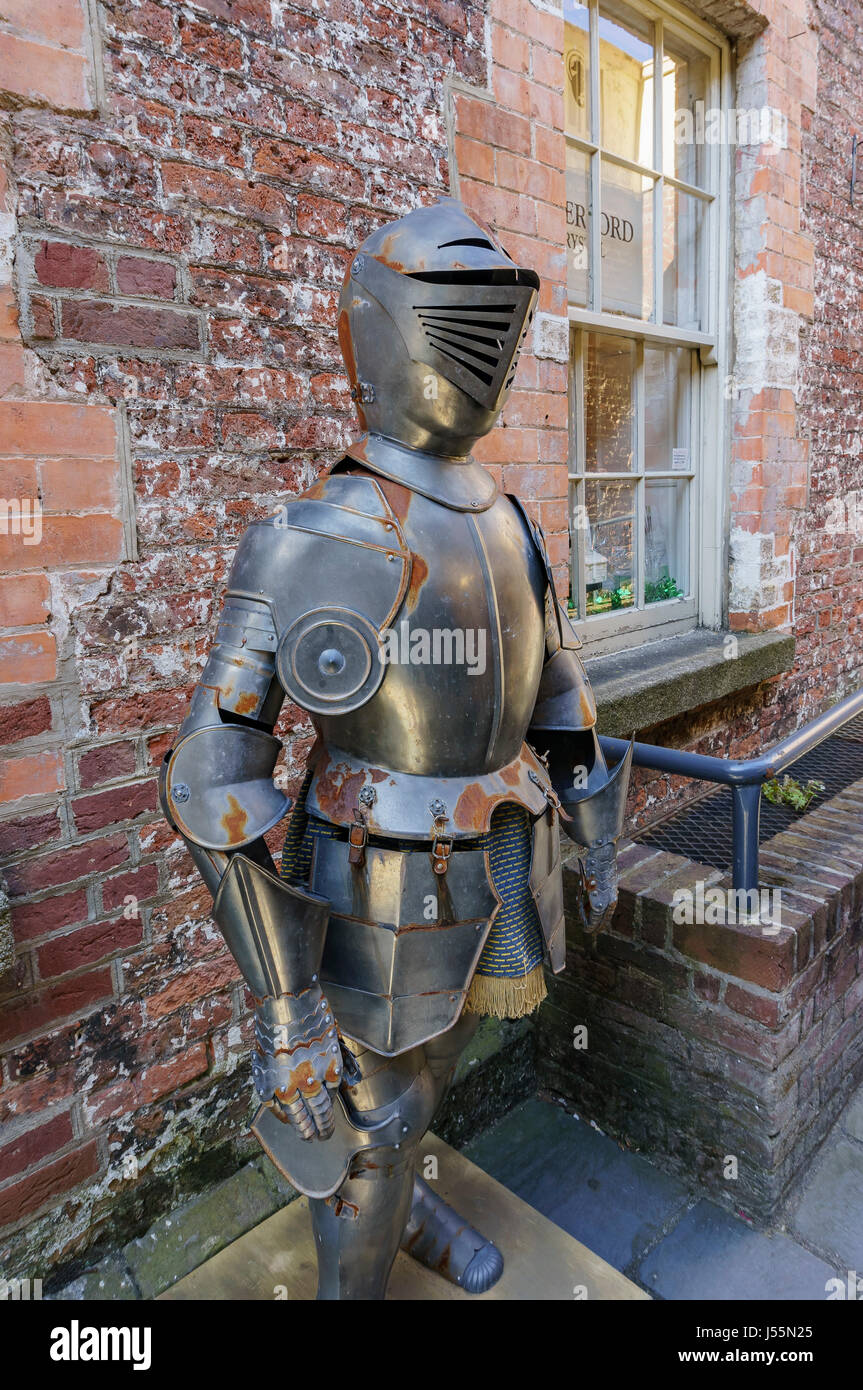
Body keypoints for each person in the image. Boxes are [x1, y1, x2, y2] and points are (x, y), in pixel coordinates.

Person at [159, 198, 632, 1300]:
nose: (485, 349)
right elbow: (214, 771)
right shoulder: (307, 538)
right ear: (383, 331)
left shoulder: (509, 520)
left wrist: (596, 832)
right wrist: (285, 1005)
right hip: (371, 863)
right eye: (456, 317)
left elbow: (554, 684)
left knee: (438, 1062)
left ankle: (408, 1207)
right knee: (373, 1105)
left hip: (505, 847)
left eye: (496, 323)